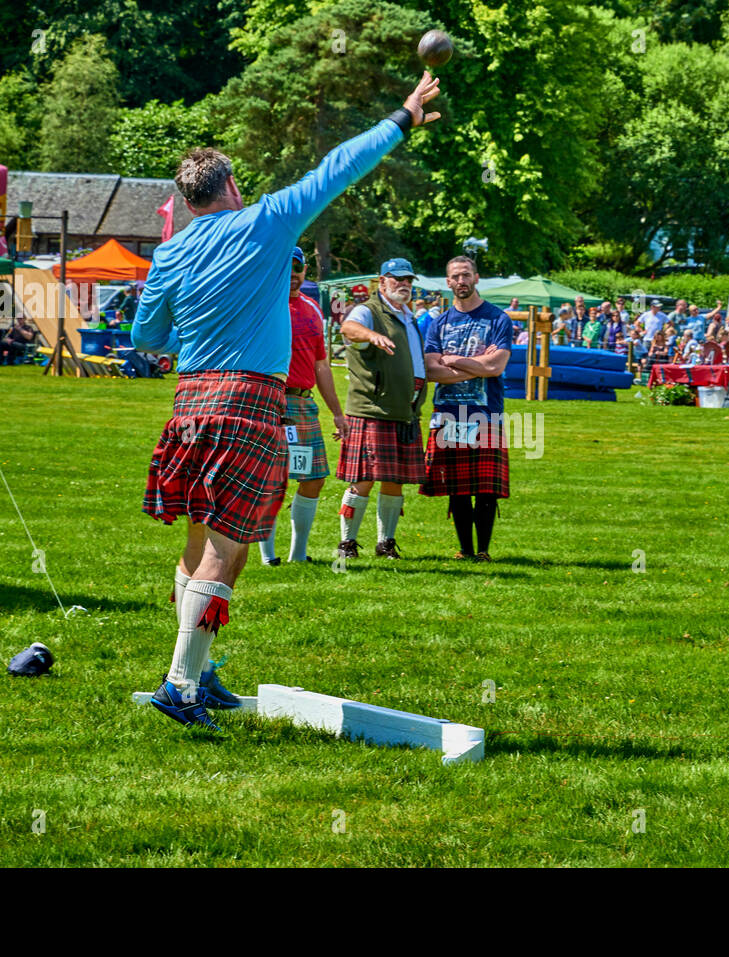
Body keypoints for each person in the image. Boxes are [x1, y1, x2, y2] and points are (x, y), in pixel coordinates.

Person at [132, 72, 442, 731]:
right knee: (225, 544)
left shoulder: (171, 251)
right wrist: (402, 118)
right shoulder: (265, 223)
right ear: (233, 187)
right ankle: (180, 684)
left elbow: (146, 337)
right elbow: (335, 170)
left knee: (213, 541)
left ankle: (200, 667)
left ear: (189, 201)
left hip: (190, 402)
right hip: (248, 401)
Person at [336, 257, 431, 560]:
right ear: (382, 280)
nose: (403, 284)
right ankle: (347, 544)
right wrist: (372, 335)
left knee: (395, 480)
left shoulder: (407, 316)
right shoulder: (369, 311)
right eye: (397, 278)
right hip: (373, 410)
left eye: (408, 280)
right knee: (363, 478)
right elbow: (348, 328)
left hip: (404, 410)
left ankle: (385, 543)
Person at [258, 246, 346, 566]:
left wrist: (337, 412)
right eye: (286, 269)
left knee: (313, 477)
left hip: (303, 403)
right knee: (270, 479)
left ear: (305, 271)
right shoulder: (263, 305)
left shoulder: (312, 308)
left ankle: (298, 554)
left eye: (298, 270)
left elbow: (321, 364)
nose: (293, 276)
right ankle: (268, 556)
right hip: (270, 401)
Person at [420, 256, 513, 560]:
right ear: (448, 282)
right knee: (457, 487)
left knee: (485, 489)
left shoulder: (498, 319)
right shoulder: (439, 323)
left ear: (476, 278)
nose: (461, 281)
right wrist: (477, 366)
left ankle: (483, 551)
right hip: (448, 412)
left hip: (486, 412)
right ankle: (465, 550)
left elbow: (497, 365)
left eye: (466, 275)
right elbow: (431, 371)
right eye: (455, 277)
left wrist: (452, 359)